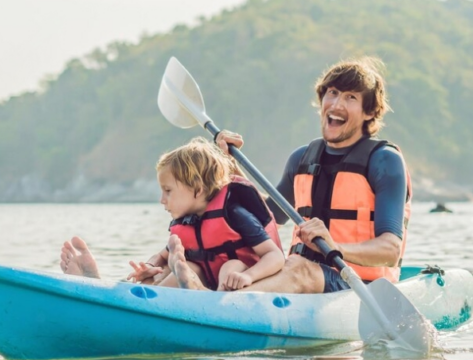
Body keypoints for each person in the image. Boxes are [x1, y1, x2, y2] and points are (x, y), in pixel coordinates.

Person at [178, 56, 412, 294]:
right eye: (332, 93)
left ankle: (220, 305)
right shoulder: (301, 159)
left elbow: (389, 251)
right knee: (240, 263)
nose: (337, 104)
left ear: (370, 112)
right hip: (299, 275)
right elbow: (263, 217)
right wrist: (229, 160)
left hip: (360, 286)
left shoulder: (384, 160)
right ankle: (182, 286)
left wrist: (334, 247)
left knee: (300, 268)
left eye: (351, 97)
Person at [60, 137, 285, 291]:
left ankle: (204, 296)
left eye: (168, 191)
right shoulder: (184, 223)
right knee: (179, 269)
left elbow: (275, 256)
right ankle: (100, 287)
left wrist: (247, 276)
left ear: (197, 189)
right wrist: (149, 266)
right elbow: (163, 255)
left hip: (237, 280)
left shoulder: (235, 214)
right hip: (201, 277)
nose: (162, 200)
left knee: (228, 267)